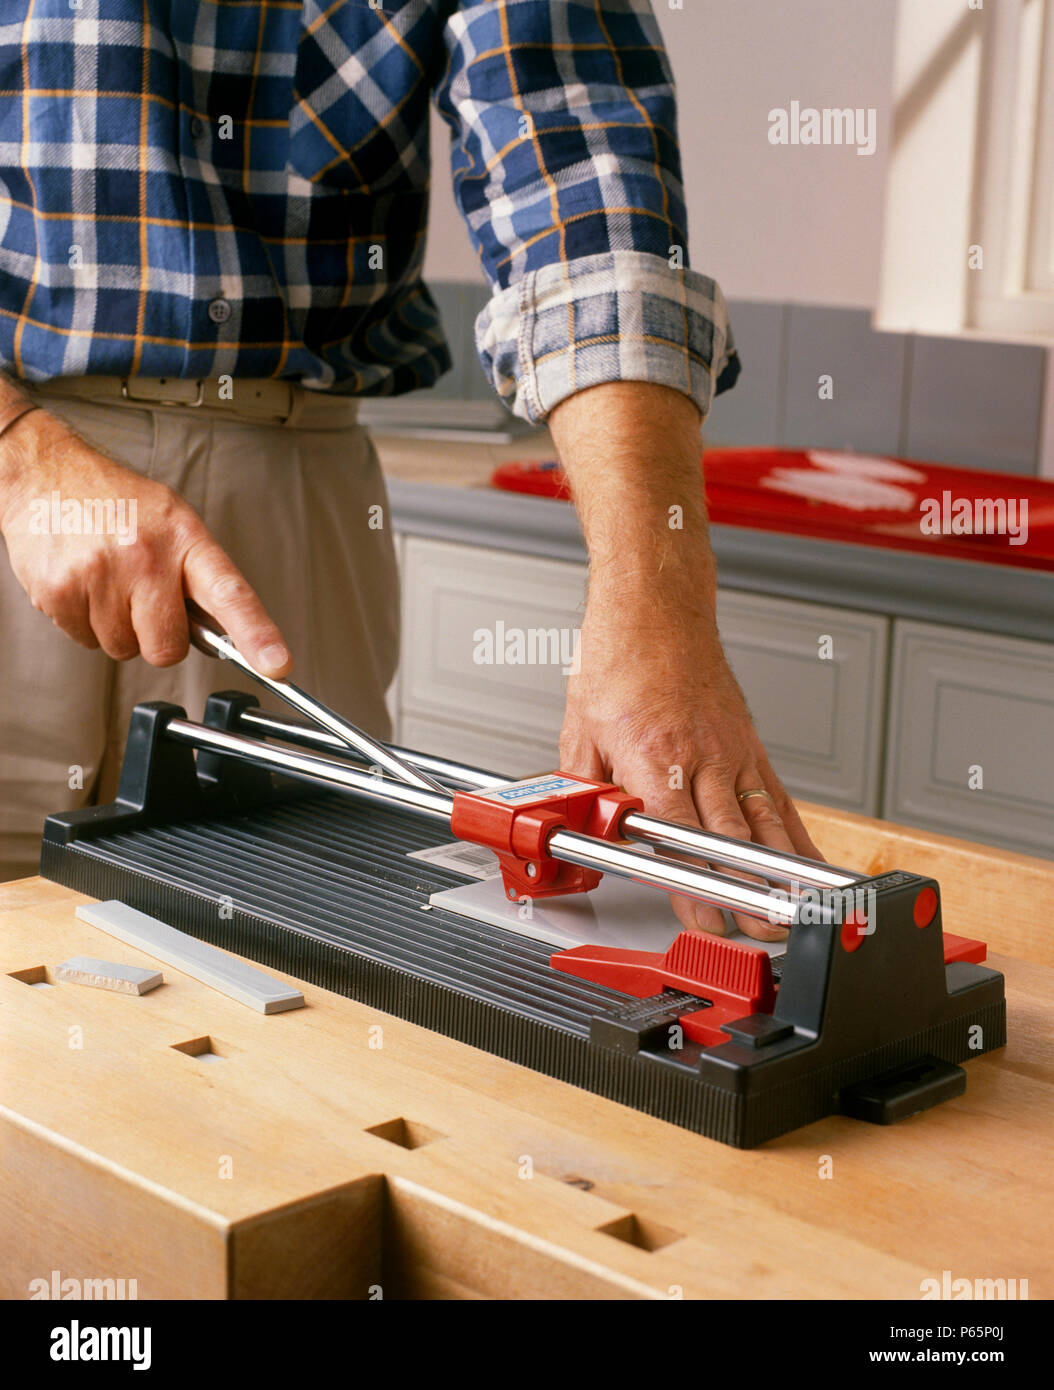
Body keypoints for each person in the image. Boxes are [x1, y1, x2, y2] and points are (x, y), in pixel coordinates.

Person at [0, 1, 820, 935]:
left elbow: (577, 164)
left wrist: (655, 601)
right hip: (12, 456)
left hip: (285, 491)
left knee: (294, 977)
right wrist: (21, 454)